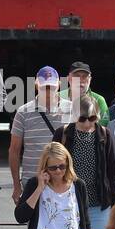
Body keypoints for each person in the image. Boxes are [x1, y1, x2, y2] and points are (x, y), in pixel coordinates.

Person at [53, 95, 115, 229]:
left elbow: (111, 172)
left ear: (98, 116)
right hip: (68, 202)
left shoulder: (104, 134)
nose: (88, 122)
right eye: (82, 118)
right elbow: (51, 165)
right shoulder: (62, 134)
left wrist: (114, 201)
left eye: (92, 118)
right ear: (74, 115)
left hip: (98, 203)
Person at [9, 66, 72, 204]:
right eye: (44, 87)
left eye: (51, 86)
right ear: (37, 85)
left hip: (64, 181)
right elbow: (14, 150)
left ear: (59, 85)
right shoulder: (23, 112)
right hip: (33, 181)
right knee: (34, 224)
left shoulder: (72, 110)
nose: (48, 90)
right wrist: (16, 185)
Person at [61, 61, 109, 127]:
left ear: (90, 79)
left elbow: (103, 127)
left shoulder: (99, 100)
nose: (81, 80)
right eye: (77, 76)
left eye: (84, 76)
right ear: (68, 78)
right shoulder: (58, 97)